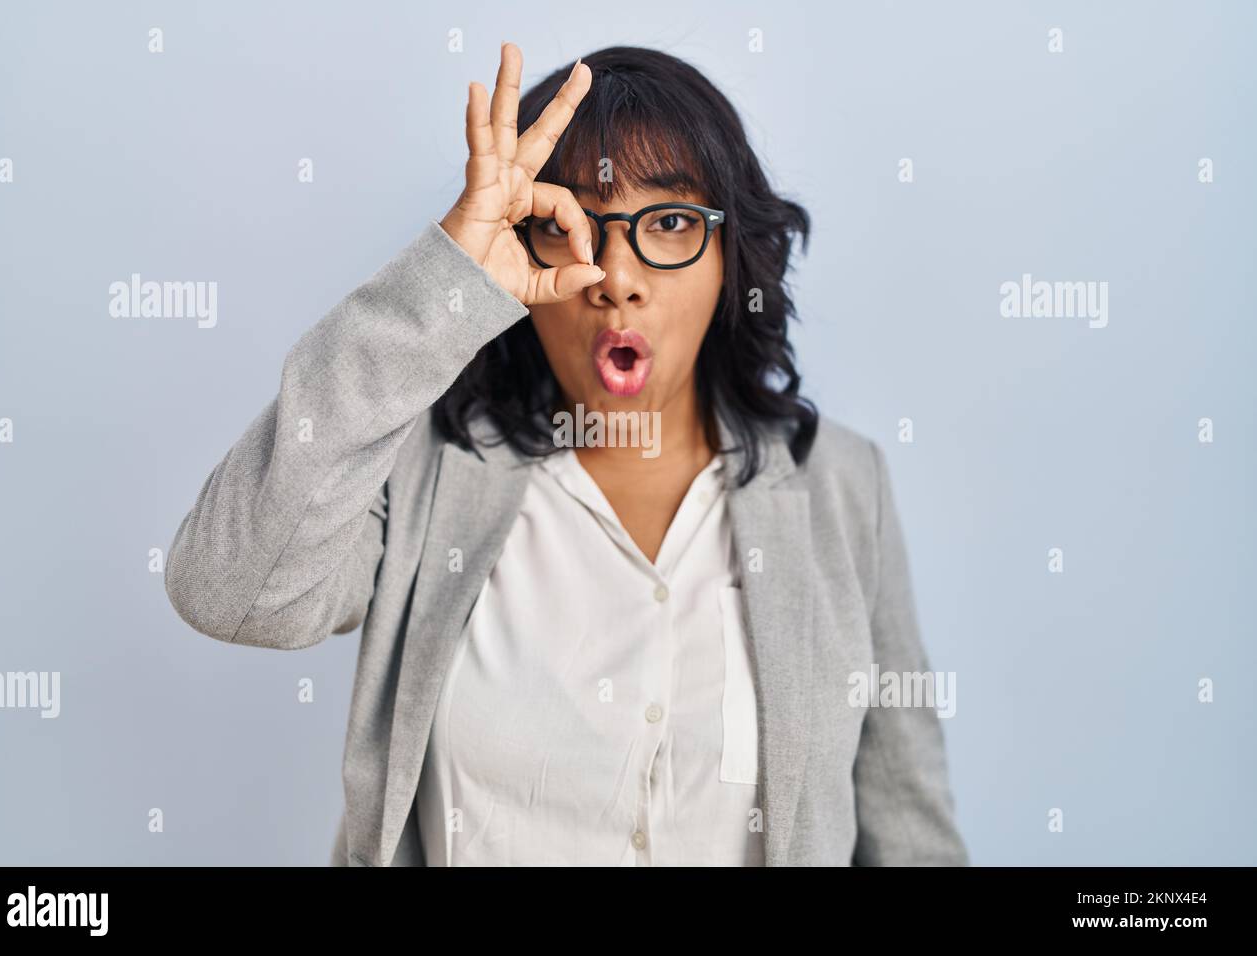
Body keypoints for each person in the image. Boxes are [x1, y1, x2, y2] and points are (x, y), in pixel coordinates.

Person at [164, 42, 969, 866]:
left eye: (670, 222)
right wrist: (446, 284)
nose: (616, 276)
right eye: (568, 225)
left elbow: (910, 834)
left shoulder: (842, 485)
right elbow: (228, 591)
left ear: (732, 260)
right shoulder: (424, 472)